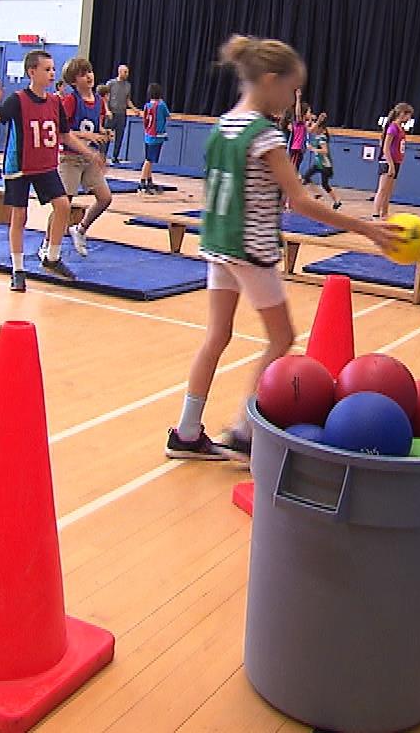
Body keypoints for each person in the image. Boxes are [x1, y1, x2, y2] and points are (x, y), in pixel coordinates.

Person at [169, 36, 397, 461]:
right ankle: (244, 430)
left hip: (218, 243)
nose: (295, 100)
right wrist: (366, 228)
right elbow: (301, 201)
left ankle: (185, 431)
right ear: (270, 81)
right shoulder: (265, 136)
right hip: (249, 249)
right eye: (292, 90)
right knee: (283, 337)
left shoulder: (223, 125)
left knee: (216, 336)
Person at [0, 52, 99, 292]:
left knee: (63, 206)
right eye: (46, 69)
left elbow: (66, 135)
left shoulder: (55, 102)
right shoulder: (17, 100)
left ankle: (52, 257)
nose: (52, 73)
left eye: (53, 69)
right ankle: (17, 270)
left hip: (45, 164)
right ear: (31, 72)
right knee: (19, 217)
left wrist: (89, 153)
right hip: (20, 166)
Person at [55, 58, 113, 257]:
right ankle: (48, 244)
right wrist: (87, 135)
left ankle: (80, 229)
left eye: (89, 71)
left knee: (105, 198)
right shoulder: (71, 100)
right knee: (63, 204)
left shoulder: (98, 100)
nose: (88, 76)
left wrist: (104, 133)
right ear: (73, 81)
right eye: (82, 74)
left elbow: (93, 126)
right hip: (70, 158)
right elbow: (62, 130)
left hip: (89, 158)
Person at [372, 102, 412, 218]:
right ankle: (375, 213)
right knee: (383, 189)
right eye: (408, 115)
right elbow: (385, 147)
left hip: (396, 162)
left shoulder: (400, 128)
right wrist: (390, 164)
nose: (409, 118)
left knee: (389, 191)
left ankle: (384, 213)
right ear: (402, 114)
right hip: (388, 162)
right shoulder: (393, 127)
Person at [301, 113, 339, 207]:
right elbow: (310, 130)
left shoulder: (322, 138)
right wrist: (316, 120)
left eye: (317, 127)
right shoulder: (318, 136)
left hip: (325, 165)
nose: (314, 128)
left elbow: (325, 151)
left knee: (324, 184)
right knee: (306, 177)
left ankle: (336, 200)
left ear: (321, 129)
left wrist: (313, 149)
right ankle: (317, 193)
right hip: (318, 164)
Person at [139, 83, 171, 194]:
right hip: (157, 136)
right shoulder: (161, 105)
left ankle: (149, 180)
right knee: (149, 160)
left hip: (148, 135)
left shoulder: (147, 105)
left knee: (149, 159)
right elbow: (168, 115)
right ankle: (142, 182)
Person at [102, 64, 134, 164]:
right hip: (111, 112)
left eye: (127, 72)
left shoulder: (128, 85)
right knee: (107, 135)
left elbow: (128, 99)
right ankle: (102, 156)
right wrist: (107, 110)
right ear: (120, 72)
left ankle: (115, 156)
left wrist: (134, 108)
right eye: (125, 72)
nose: (127, 74)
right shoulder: (111, 83)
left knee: (119, 136)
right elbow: (105, 98)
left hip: (122, 113)